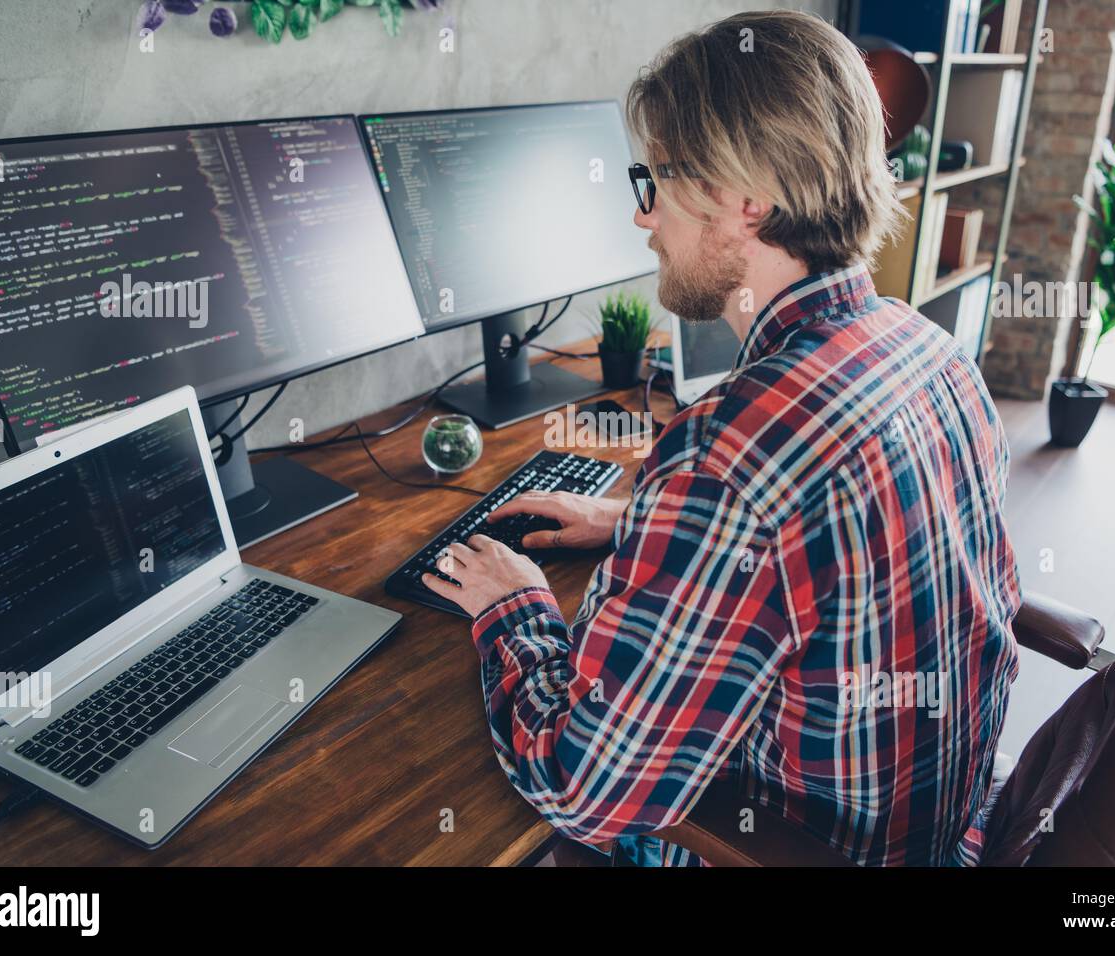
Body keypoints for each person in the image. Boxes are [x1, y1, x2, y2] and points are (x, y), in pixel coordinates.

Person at [421, 9, 1021, 866]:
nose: (644, 219)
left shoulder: (727, 459)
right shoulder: (929, 351)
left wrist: (513, 605)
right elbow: (817, 554)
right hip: (936, 831)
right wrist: (639, 521)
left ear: (744, 201)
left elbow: (580, 788)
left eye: (655, 180)